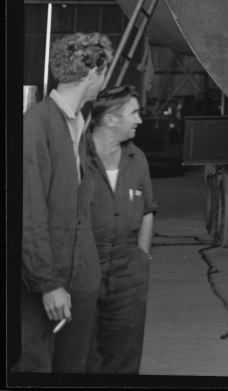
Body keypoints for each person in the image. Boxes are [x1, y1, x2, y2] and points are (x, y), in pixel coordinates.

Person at [17, 32, 112, 373]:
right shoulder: (35, 126)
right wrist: (48, 283)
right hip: (46, 283)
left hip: (78, 282)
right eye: (106, 71)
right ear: (94, 73)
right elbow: (28, 213)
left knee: (73, 367)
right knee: (35, 366)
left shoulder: (80, 127)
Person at [86, 84, 157, 374]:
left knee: (125, 359)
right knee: (83, 356)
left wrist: (143, 257)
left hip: (129, 268)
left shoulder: (136, 157)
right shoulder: (76, 156)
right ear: (111, 119)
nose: (139, 120)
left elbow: (149, 209)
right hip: (86, 263)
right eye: (134, 113)